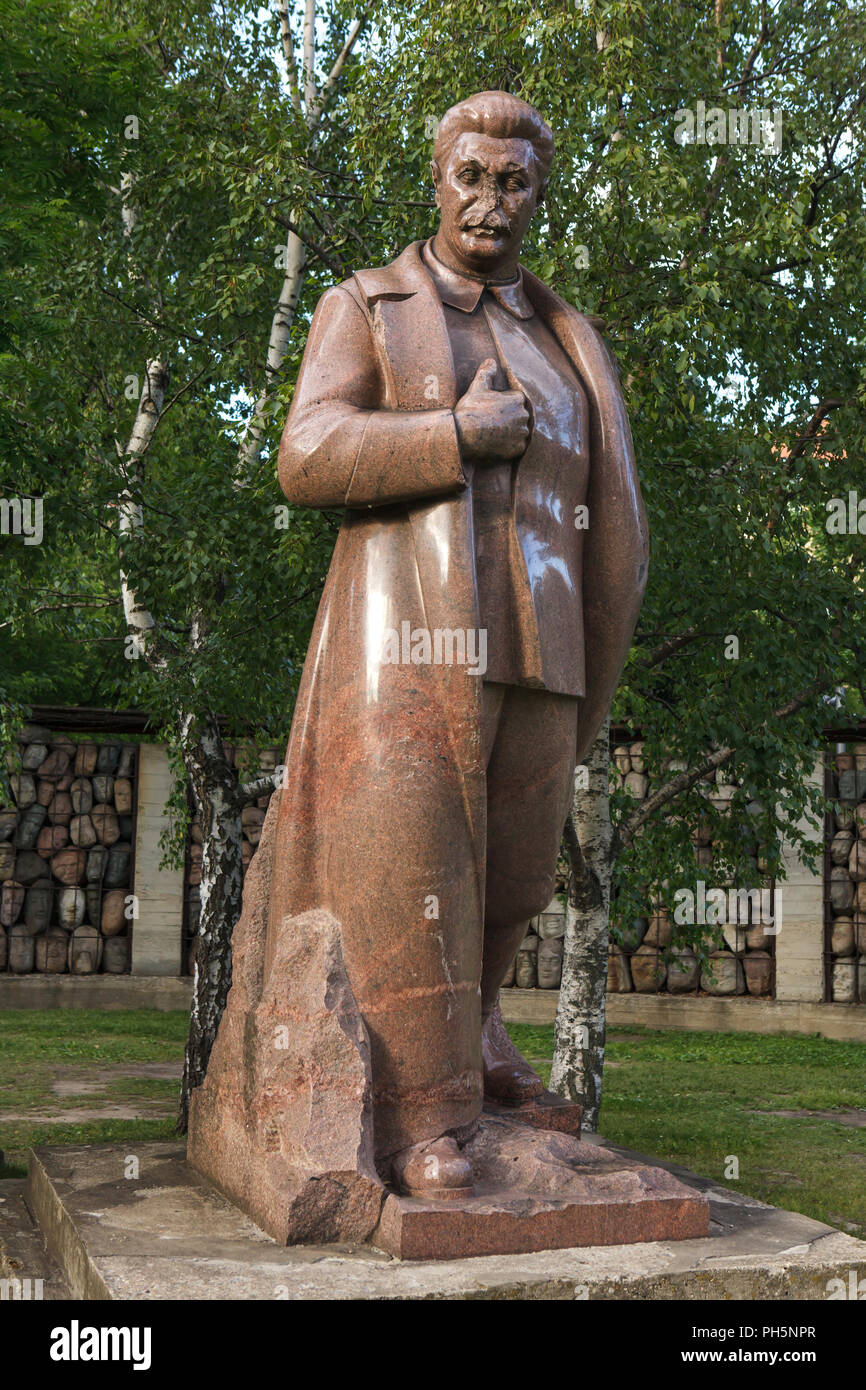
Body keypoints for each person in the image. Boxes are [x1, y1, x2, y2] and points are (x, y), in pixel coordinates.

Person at [267, 90, 648, 1200]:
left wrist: (599, 675)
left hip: (544, 639)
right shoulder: (368, 306)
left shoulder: (568, 336)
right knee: (413, 872)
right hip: (412, 645)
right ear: (438, 180)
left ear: (538, 193)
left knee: (518, 871)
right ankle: (425, 1124)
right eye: (470, 176)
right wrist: (451, 437)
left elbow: (611, 508)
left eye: (514, 181)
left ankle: (478, 1044)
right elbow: (305, 453)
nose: (490, 199)